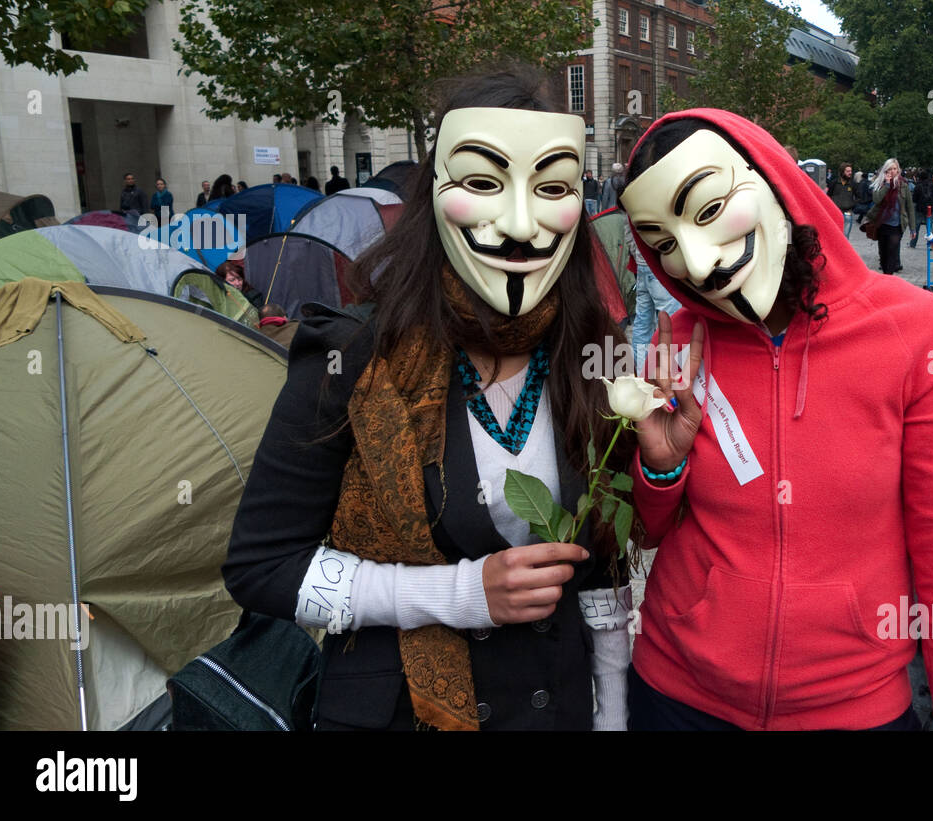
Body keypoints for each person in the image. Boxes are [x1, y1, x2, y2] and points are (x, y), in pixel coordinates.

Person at [224, 67, 635, 732]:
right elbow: (262, 566)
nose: (520, 220)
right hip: (405, 712)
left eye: (552, 186)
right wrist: (461, 595)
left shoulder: (584, 350)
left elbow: (601, 564)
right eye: (482, 182)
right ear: (435, 193)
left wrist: (613, 710)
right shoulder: (355, 354)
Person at [619, 109, 933, 731]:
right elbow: (648, 534)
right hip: (678, 693)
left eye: (709, 210)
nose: (690, 261)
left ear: (774, 182)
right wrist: (660, 471)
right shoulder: (679, 344)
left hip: (852, 706)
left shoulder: (912, 331)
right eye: (662, 243)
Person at [623, 217, 681, 371]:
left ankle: (642, 373)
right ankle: (670, 372)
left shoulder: (631, 205)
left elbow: (628, 232)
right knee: (671, 322)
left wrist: (638, 256)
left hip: (643, 266)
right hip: (658, 267)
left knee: (642, 321)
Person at [864, 158, 915, 275]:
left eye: (894, 169)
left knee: (892, 252)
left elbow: (910, 207)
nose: (892, 171)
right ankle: (886, 274)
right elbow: (876, 200)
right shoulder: (881, 183)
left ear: (898, 170)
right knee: (883, 254)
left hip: (897, 224)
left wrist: (913, 228)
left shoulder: (903, 185)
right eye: (889, 169)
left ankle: (889, 277)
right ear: (885, 171)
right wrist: (887, 185)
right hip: (882, 224)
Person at [826, 162, 858, 242]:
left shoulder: (853, 184)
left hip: (848, 213)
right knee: (834, 235)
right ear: (842, 172)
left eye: (850, 171)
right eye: (848, 171)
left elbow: (859, 197)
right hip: (835, 213)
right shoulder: (834, 183)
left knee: (845, 237)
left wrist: (852, 205)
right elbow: (828, 196)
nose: (850, 173)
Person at [909, 170, 933, 248]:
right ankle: (932, 245)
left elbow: (914, 199)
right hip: (930, 208)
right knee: (929, 227)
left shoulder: (917, 186)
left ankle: (912, 244)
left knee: (916, 226)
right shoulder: (932, 185)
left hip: (919, 208)